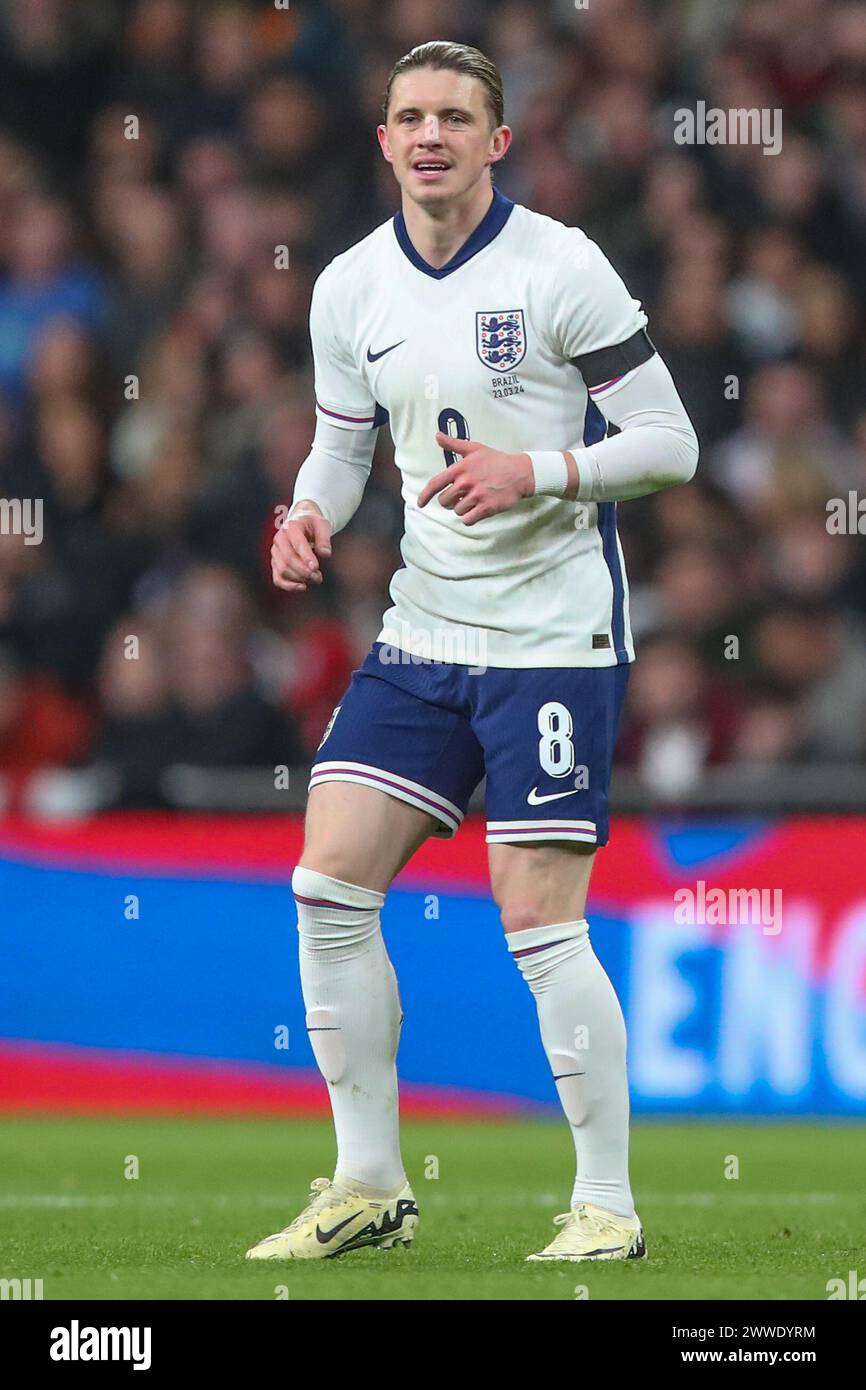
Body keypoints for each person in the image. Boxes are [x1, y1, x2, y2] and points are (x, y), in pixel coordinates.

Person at [247, 40, 698, 1264]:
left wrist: (537, 469)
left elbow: (668, 444)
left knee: (537, 918)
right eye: (409, 117)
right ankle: (367, 1184)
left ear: (498, 142)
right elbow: (344, 446)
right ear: (383, 142)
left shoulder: (561, 268)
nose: (430, 133)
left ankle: (605, 1205)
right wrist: (309, 516)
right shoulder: (347, 286)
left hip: (553, 635)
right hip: (422, 627)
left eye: (456, 116)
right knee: (328, 883)